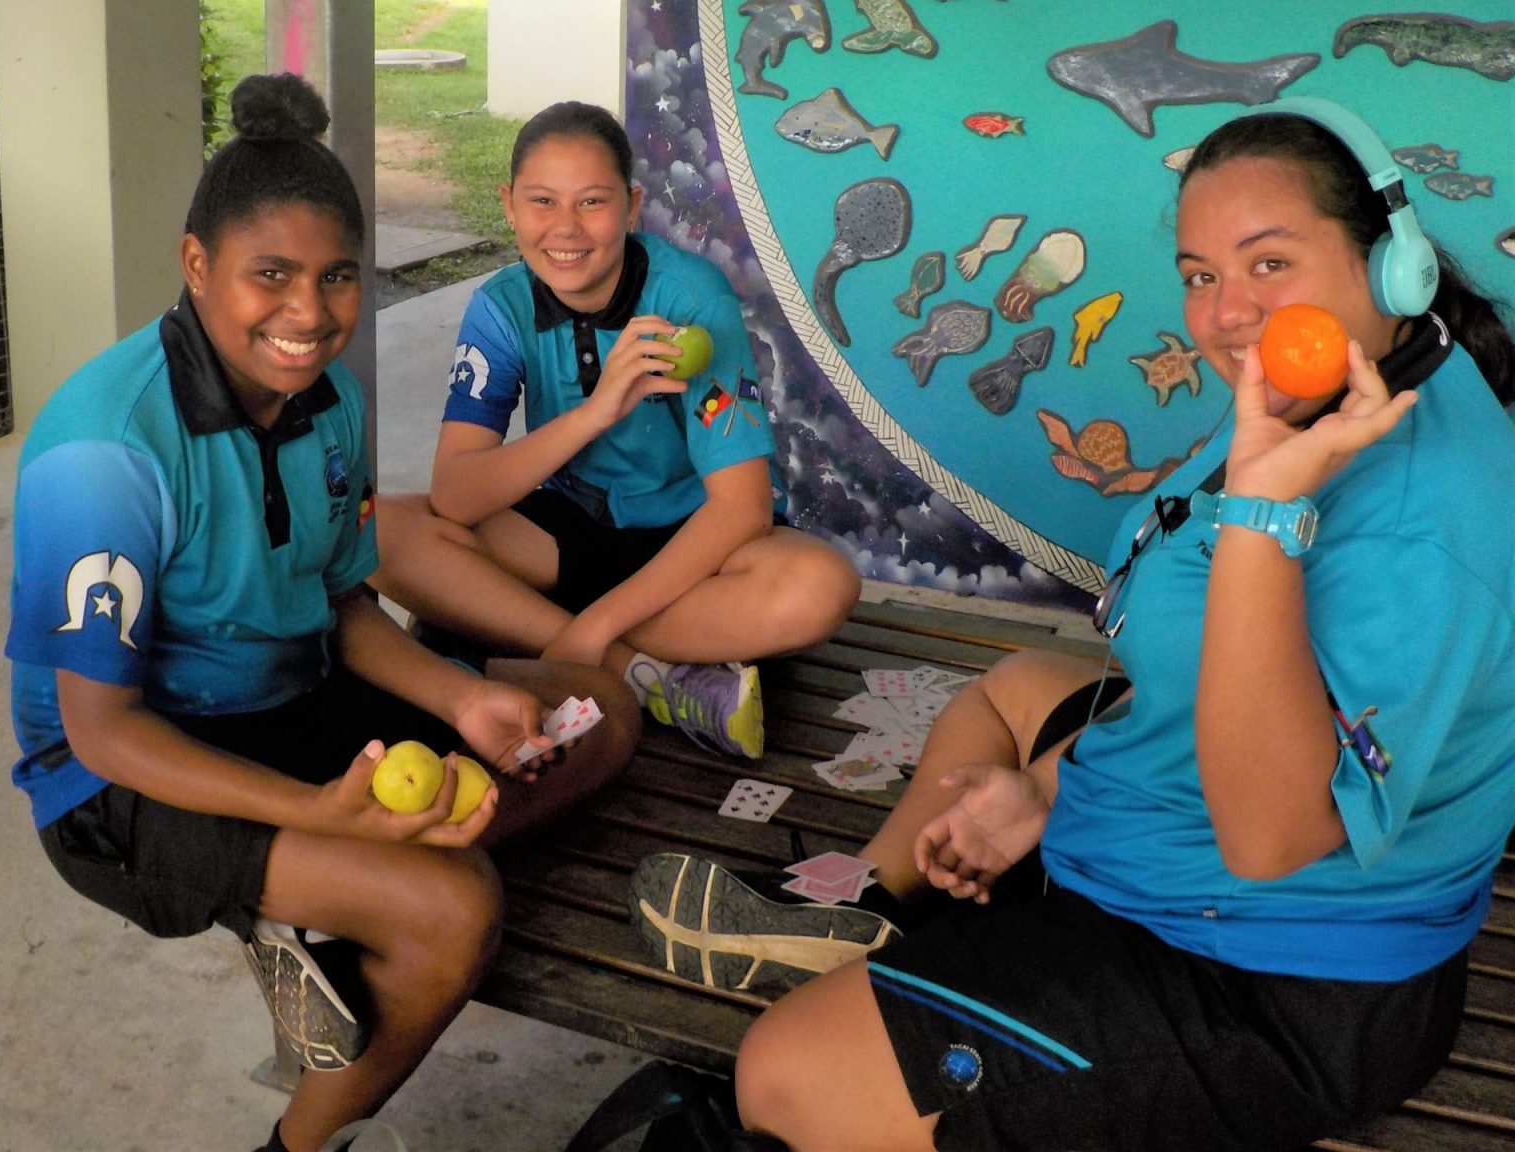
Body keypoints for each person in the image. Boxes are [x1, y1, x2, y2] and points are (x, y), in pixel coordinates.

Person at [632, 97, 1515, 1150]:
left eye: (1269, 264)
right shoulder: (1348, 387)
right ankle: (868, 899)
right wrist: (1049, 791)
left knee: (782, 1073)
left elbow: (1272, 834)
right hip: (1203, 842)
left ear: (1392, 268)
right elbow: (1202, 668)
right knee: (1014, 689)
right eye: (1200, 275)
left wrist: (1262, 518)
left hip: (1273, 972)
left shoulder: (1417, 523)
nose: (1228, 312)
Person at [5, 74, 641, 1152]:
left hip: (291, 695)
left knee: (591, 712)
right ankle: (300, 1140)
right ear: (196, 265)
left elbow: (339, 599)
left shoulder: (329, 400)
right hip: (127, 777)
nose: (310, 314)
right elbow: (105, 732)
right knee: (455, 913)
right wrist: (323, 817)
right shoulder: (104, 454)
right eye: (271, 276)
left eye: (336, 277)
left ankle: (333, 918)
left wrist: (460, 698)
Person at [369, 100, 861, 761]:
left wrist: (592, 628)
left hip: (694, 549)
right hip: (567, 533)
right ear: (508, 205)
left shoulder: (691, 299)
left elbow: (741, 510)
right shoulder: (503, 307)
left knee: (820, 587)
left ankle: (554, 639)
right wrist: (595, 412)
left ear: (630, 209)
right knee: (373, 531)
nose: (565, 229)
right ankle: (644, 671)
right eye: (542, 202)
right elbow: (456, 494)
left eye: (592, 203)